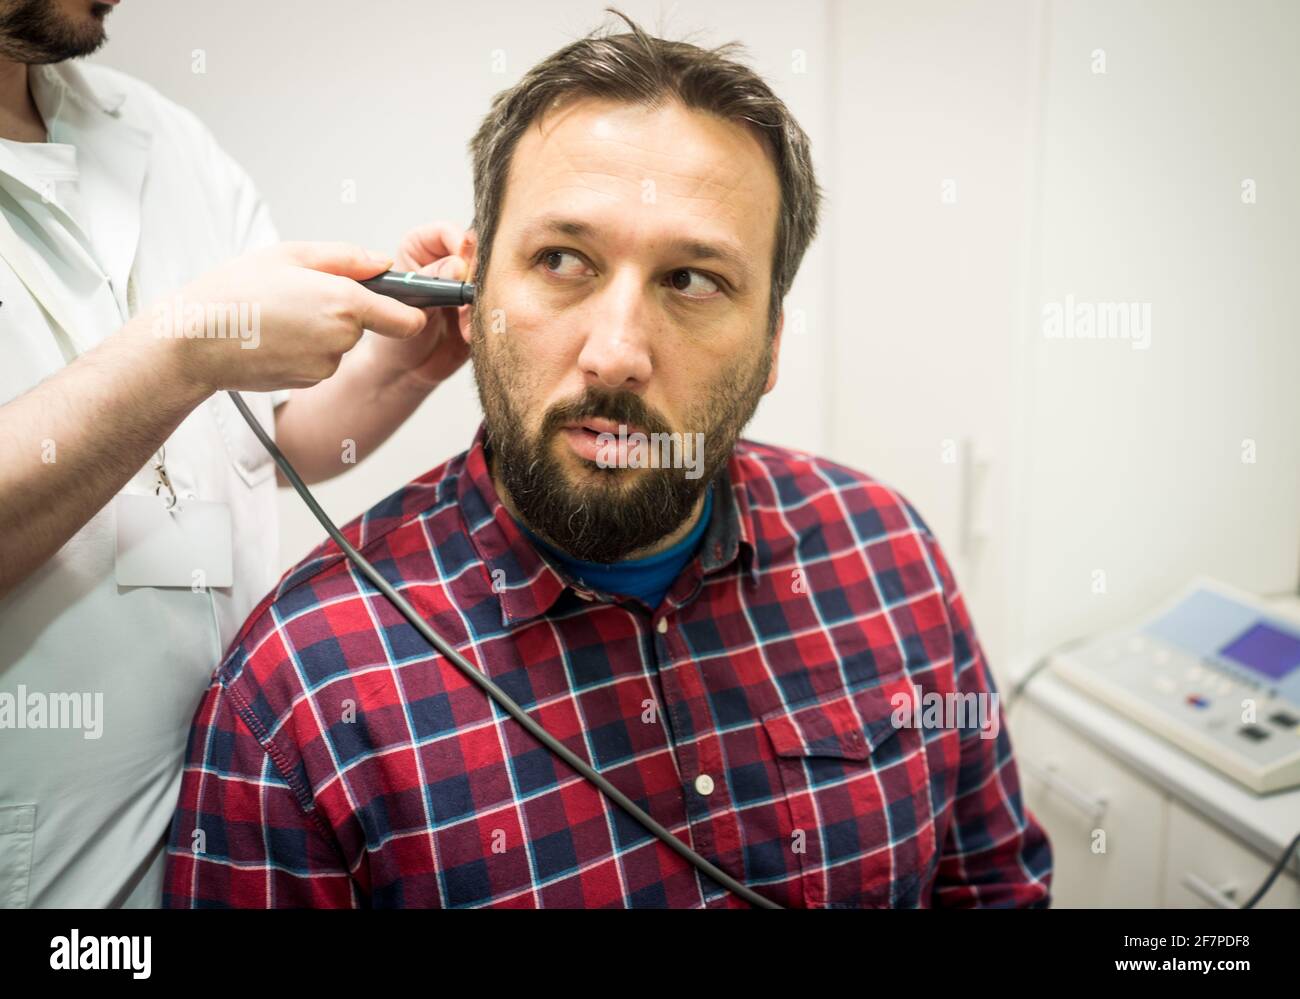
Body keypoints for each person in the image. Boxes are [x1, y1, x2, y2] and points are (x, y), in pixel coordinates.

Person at [163, 9, 1053, 909]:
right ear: (469, 301)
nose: (616, 352)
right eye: (562, 260)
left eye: (693, 280)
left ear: (773, 341)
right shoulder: (301, 692)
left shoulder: (887, 553)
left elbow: (993, 887)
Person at [0, 0, 468, 906]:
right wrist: (188, 348)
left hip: (233, 836)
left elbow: (266, 434)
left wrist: (402, 368)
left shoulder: (159, 135)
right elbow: (195, 365)